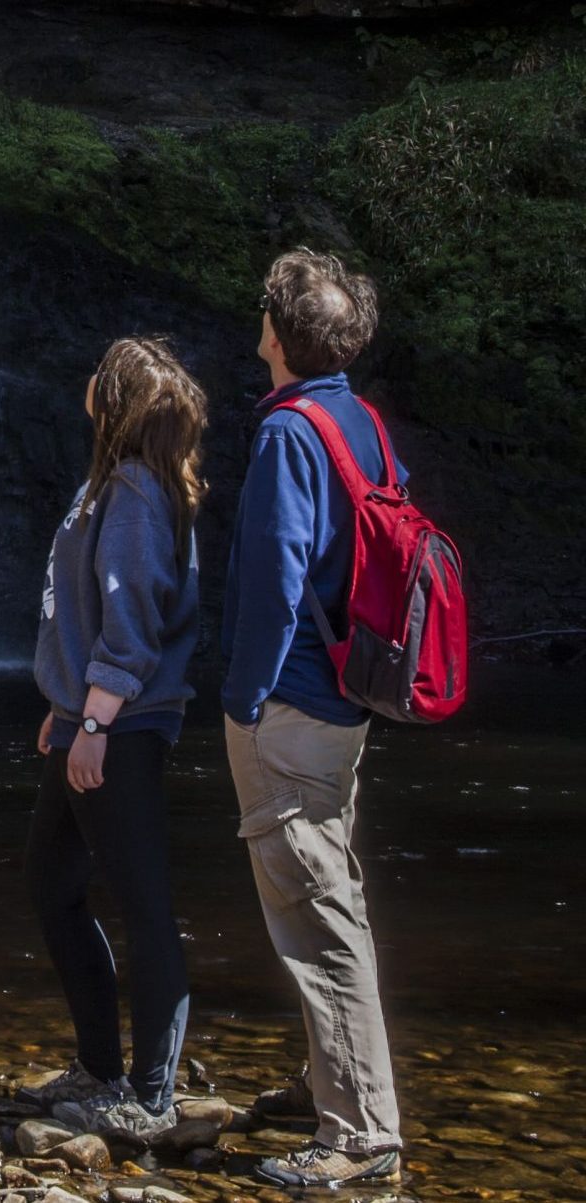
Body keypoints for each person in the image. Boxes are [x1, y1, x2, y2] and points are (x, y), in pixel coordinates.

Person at [222, 249, 404, 1189]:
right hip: (345, 701)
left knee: (315, 912)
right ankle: (326, 1080)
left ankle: (361, 1132)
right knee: (327, 884)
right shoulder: (362, 421)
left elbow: (276, 578)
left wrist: (243, 698)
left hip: (289, 705)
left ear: (280, 335)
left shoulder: (291, 433)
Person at [22, 337, 205, 1144]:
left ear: (120, 399)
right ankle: (100, 1067)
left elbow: (130, 625)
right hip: (85, 718)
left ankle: (154, 1097)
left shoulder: (132, 489)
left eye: (101, 373)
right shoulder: (116, 479)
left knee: (143, 905)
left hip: (120, 726)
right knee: (50, 885)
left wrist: (93, 720)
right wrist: (65, 707)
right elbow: (87, 610)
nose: (87, 380)